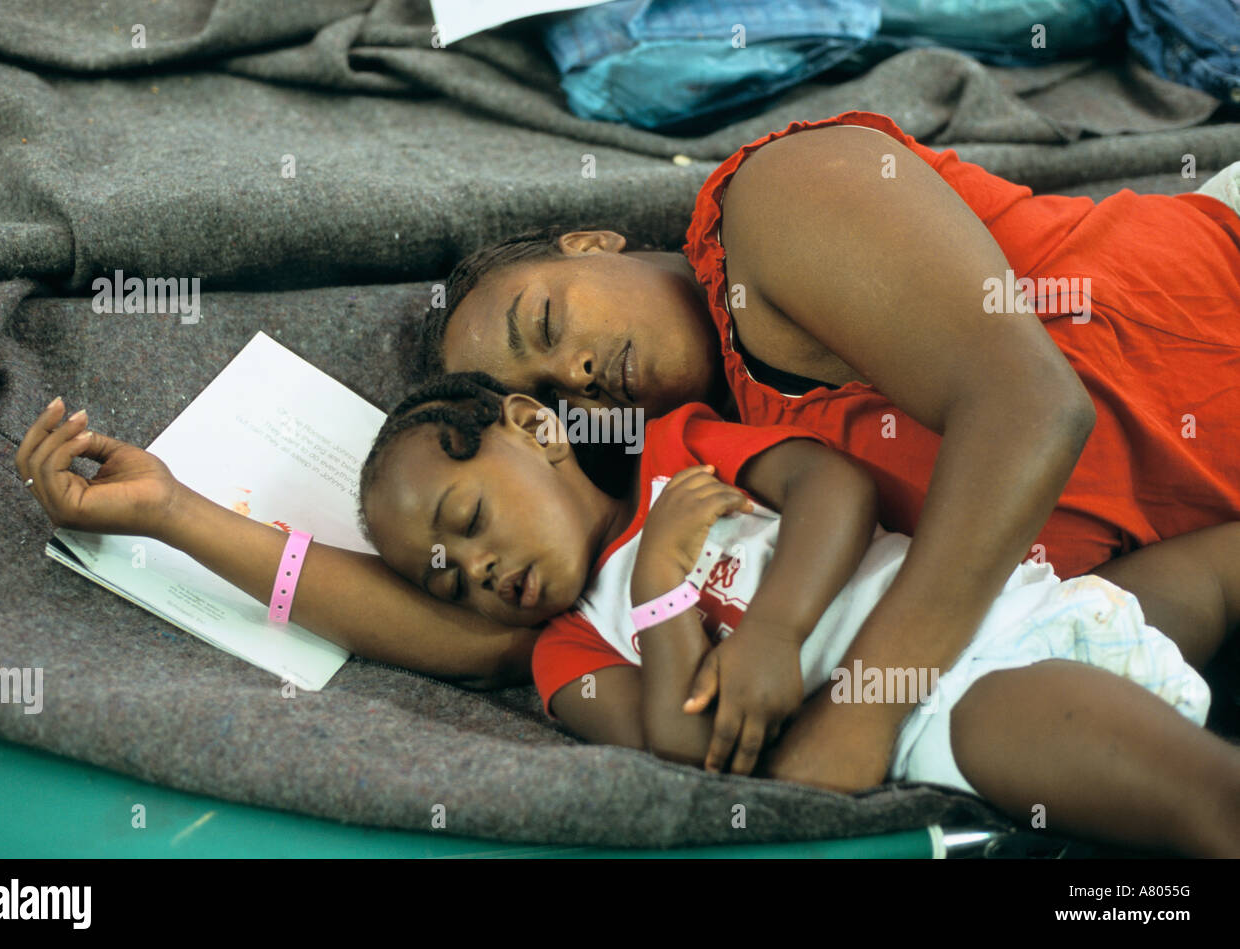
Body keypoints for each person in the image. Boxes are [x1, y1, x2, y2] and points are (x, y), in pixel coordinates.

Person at [420, 109, 1240, 790]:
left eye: (549, 324)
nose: (579, 374)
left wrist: (864, 713)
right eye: (556, 399)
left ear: (592, 244)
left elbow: (1031, 406)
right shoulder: (733, 480)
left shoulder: (774, 201)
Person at [352, 372, 1236, 857]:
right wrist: (660, 587)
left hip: (1017, 594)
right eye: (450, 582)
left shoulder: (679, 447)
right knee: (1207, 797)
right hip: (964, 704)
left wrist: (773, 630)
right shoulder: (569, 649)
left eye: (467, 523)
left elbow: (832, 488)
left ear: (532, 428)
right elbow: (685, 748)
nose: (478, 568)